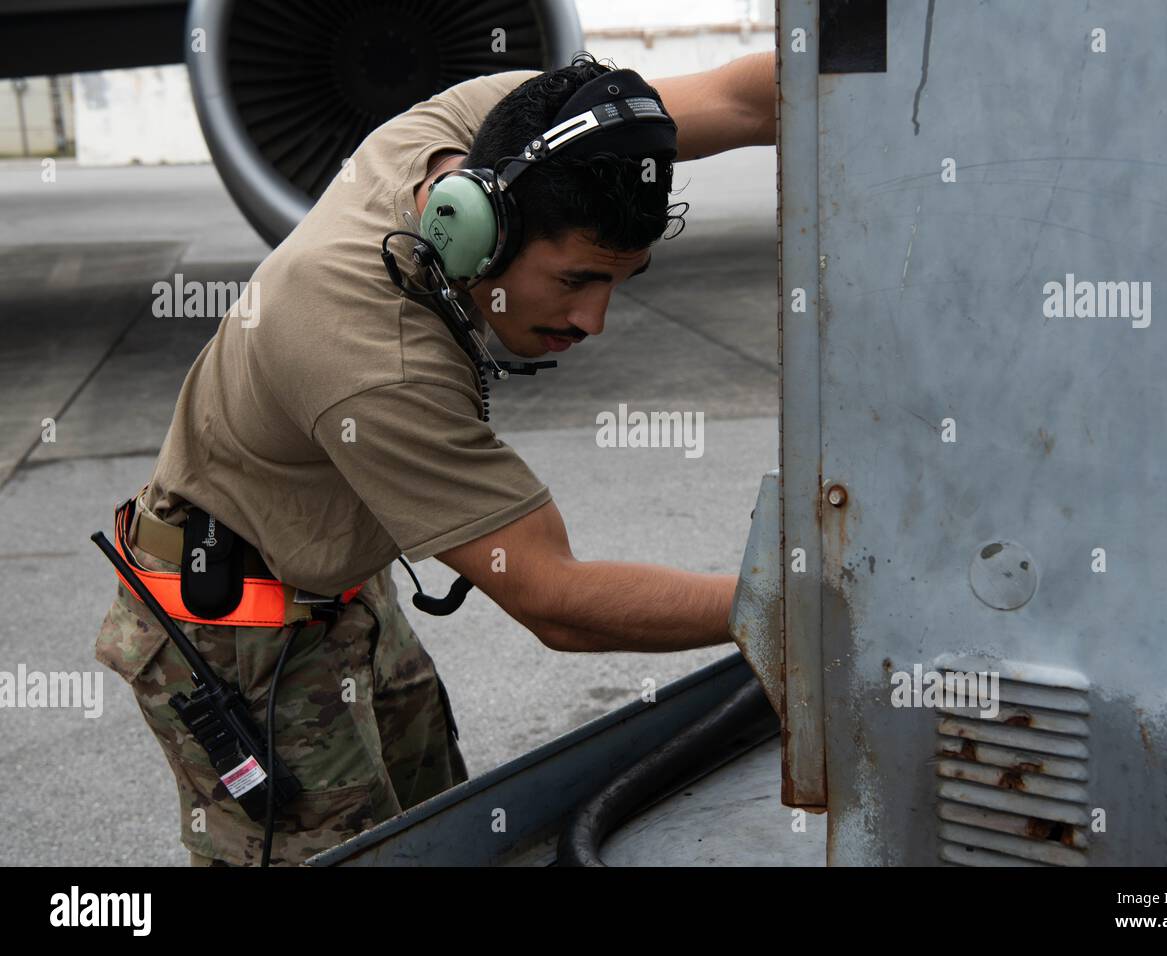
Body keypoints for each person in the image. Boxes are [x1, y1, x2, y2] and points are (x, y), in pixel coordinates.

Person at [94, 50, 777, 866]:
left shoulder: (493, 135)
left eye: (619, 282)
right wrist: (793, 608)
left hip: (337, 586)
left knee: (442, 838)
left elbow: (742, 100)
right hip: (237, 631)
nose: (594, 319)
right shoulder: (375, 358)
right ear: (480, 235)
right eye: (575, 279)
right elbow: (553, 597)